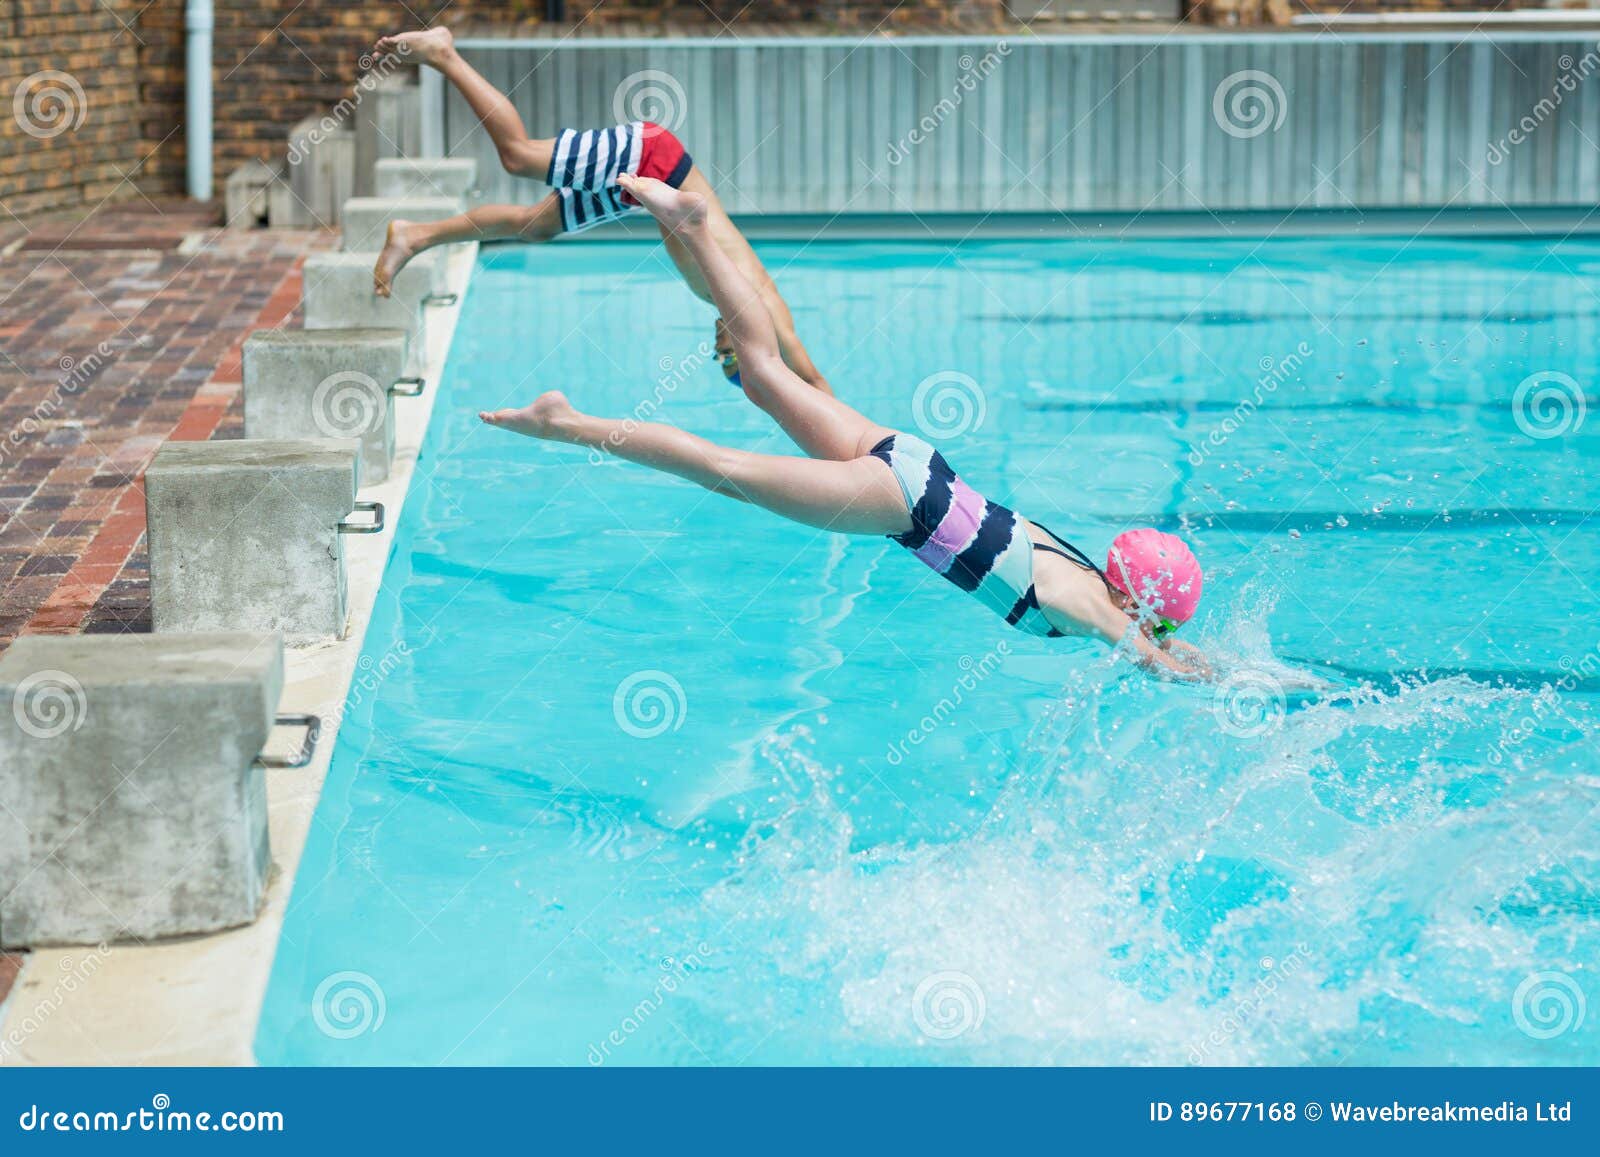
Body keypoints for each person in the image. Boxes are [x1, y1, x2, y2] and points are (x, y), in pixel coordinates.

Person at [479, 174, 1210, 679]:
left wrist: (1183, 651)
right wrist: (1208, 677)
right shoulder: (1086, 604)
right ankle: (567, 422)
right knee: (720, 469)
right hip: (904, 503)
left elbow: (1141, 637)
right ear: (1139, 605)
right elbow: (1142, 652)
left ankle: (696, 228)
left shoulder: (1088, 573)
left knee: (765, 374)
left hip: (921, 465)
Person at [370, 26, 828, 393]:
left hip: (640, 189)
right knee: (519, 156)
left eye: (720, 358)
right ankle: (443, 53)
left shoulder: (721, 299)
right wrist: (862, 459)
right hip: (652, 161)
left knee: (535, 226)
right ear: (753, 349)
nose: (718, 348)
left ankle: (415, 235)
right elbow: (811, 380)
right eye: (729, 355)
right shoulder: (761, 308)